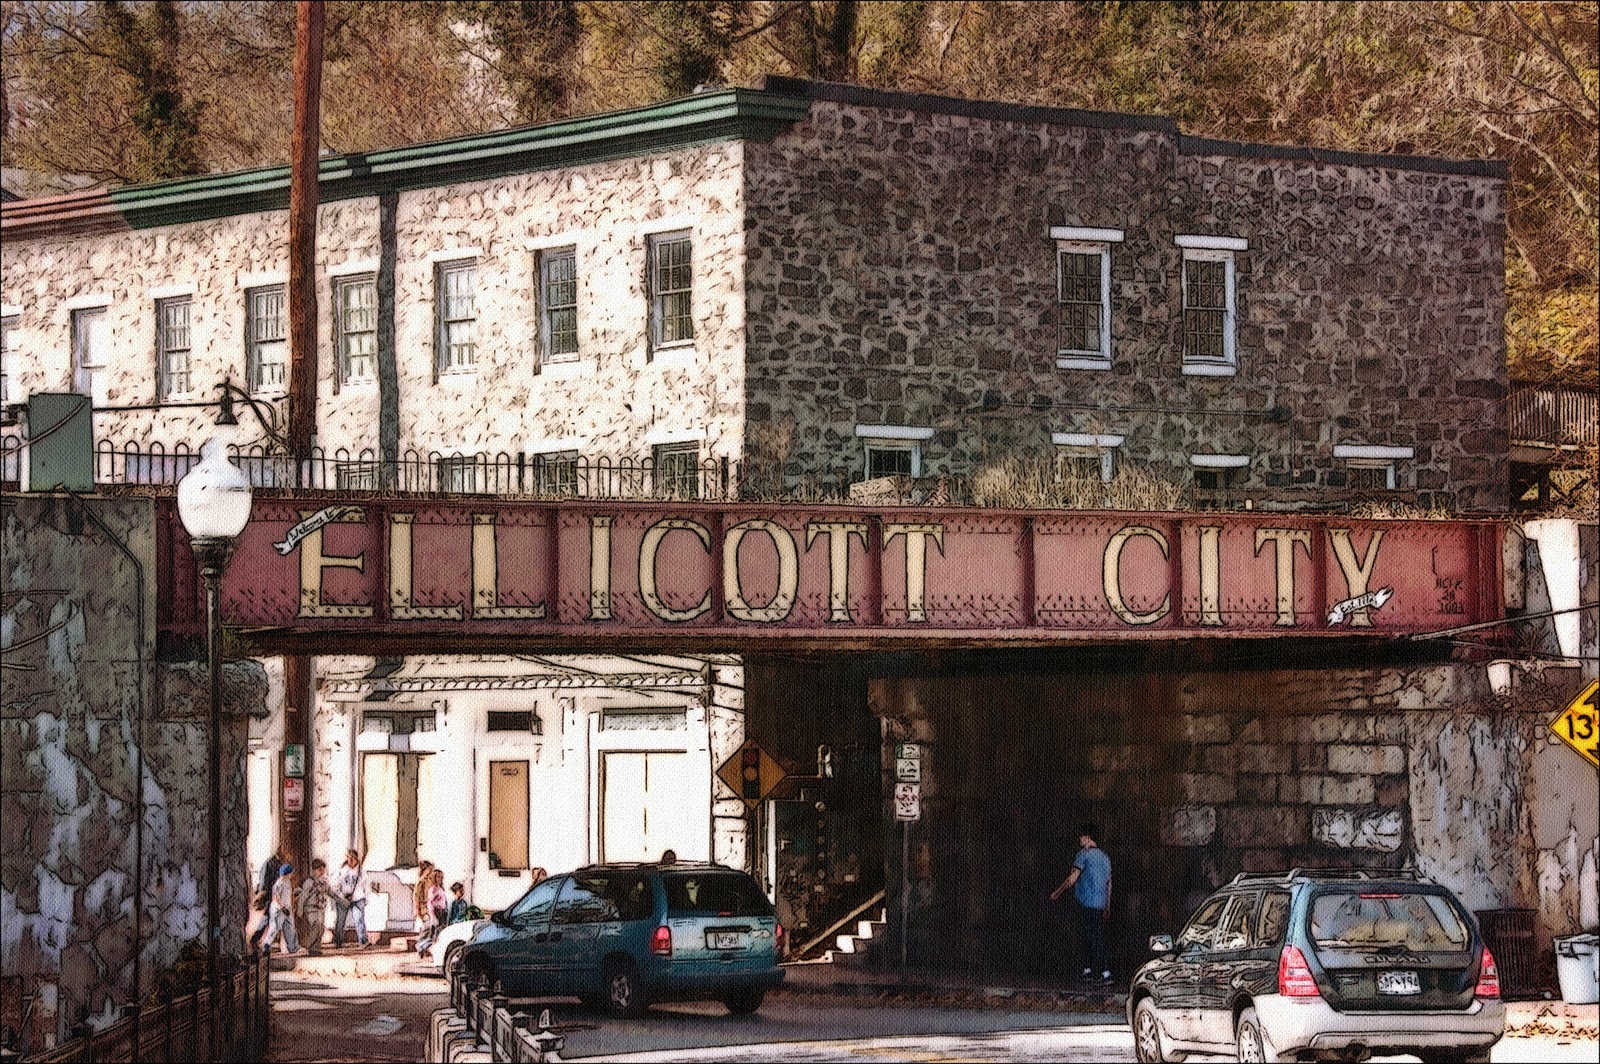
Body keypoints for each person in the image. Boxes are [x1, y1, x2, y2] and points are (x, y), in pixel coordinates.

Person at [1050, 823, 1113, 984]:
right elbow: (1109, 883)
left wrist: (1058, 892)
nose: (1080, 840)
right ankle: (1092, 970)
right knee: (1095, 936)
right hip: (1100, 904)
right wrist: (1107, 905)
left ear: (1088, 838)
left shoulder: (1083, 855)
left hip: (1086, 902)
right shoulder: (1105, 857)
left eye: (1082, 837)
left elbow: (1073, 878)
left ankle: (1101, 971)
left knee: (1090, 937)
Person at [331, 849, 372, 948]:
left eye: (352, 858)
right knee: (340, 921)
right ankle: (339, 941)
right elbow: (335, 884)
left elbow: (367, 885)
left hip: (358, 898)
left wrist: (366, 898)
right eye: (348, 858)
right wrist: (339, 896)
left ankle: (363, 941)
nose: (350, 860)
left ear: (356, 859)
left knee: (359, 920)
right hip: (344, 898)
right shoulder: (342, 870)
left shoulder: (361, 872)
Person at [247, 848, 284, 952]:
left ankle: (262, 941)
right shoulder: (269, 863)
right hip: (270, 895)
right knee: (268, 918)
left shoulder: (277, 863)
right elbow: (264, 880)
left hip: (274, 895)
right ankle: (256, 940)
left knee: (271, 918)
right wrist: (263, 893)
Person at [263, 863, 300, 955]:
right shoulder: (279, 883)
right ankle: (267, 944)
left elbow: (287, 896)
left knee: (290, 928)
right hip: (279, 910)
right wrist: (282, 908)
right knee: (275, 927)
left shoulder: (288, 882)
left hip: (287, 908)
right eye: (290, 873)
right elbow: (276, 897)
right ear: (287, 873)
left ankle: (293, 948)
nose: (291, 875)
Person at [297, 859, 331, 954]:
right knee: (315, 926)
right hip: (311, 909)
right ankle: (307, 946)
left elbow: (330, 892)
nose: (321, 872)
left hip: (321, 909)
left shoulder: (324, 882)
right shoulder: (309, 882)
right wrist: (300, 910)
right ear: (314, 870)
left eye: (323, 869)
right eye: (319, 870)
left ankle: (315, 948)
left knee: (321, 929)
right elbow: (303, 896)